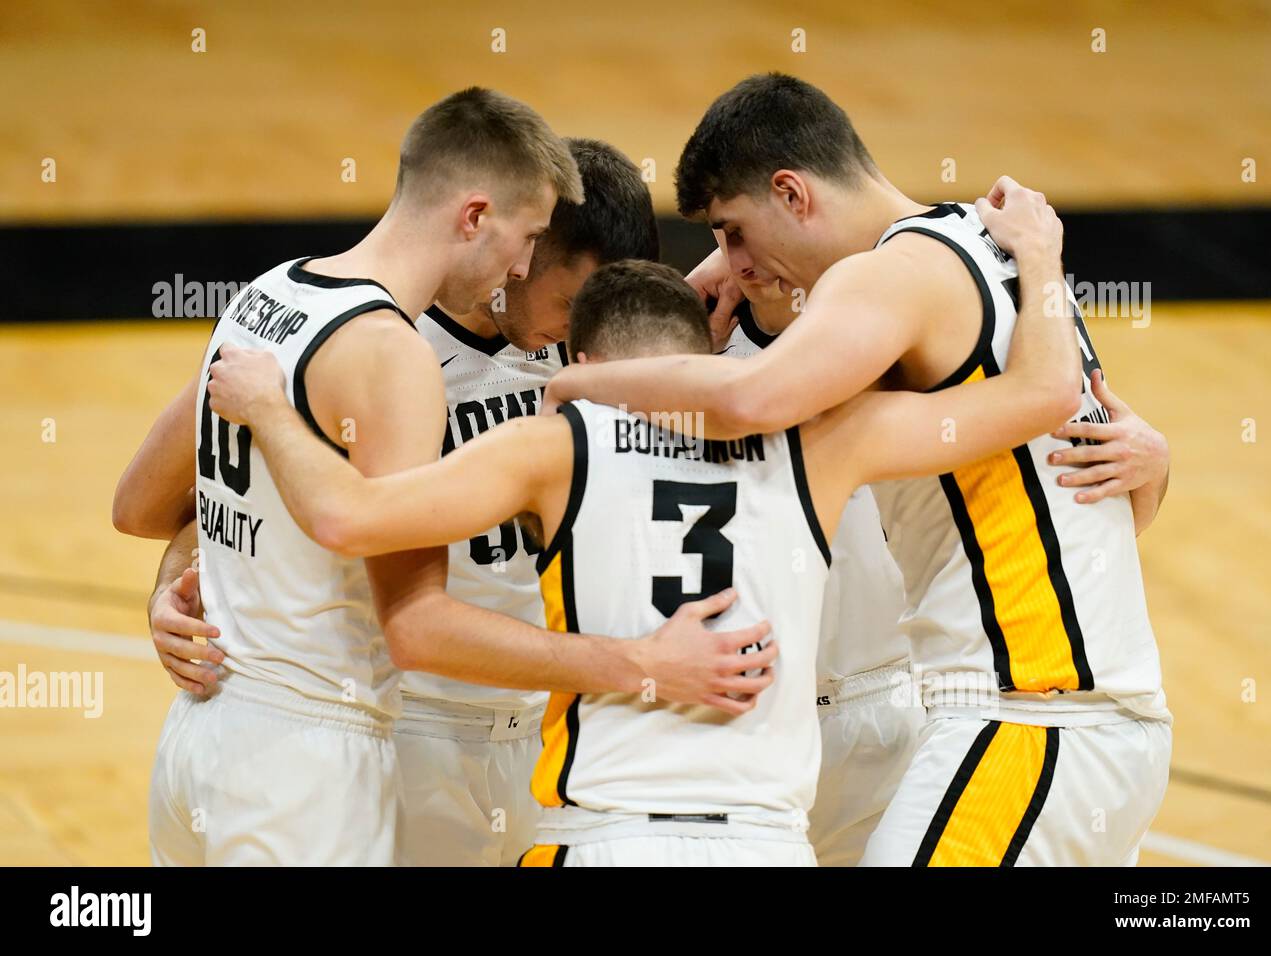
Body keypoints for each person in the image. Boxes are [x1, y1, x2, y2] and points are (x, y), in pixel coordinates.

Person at [201, 251, 1080, 865]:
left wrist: (270, 411)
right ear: (708, 354)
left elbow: (346, 517)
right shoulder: (824, 443)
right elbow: (1044, 393)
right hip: (769, 845)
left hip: (603, 838)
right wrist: (1042, 262)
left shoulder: (549, 444)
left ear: (582, 361)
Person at [113, 91, 768, 866]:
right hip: (400, 731)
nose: (570, 319)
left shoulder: (278, 300)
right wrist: (173, 586)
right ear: (486, 222)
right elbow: (181, 505)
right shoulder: (394, 350)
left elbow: (244, 487)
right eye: (544, 271)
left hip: (551, 735)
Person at [542, 73, 1173, 865]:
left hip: (1030, 715)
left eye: (734, 232)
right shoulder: (998, 251)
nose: (733, 262)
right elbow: (1089, 496)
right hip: (1086, 718)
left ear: (792, 192)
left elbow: (755, 398)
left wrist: (583, 382)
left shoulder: (886, 276)